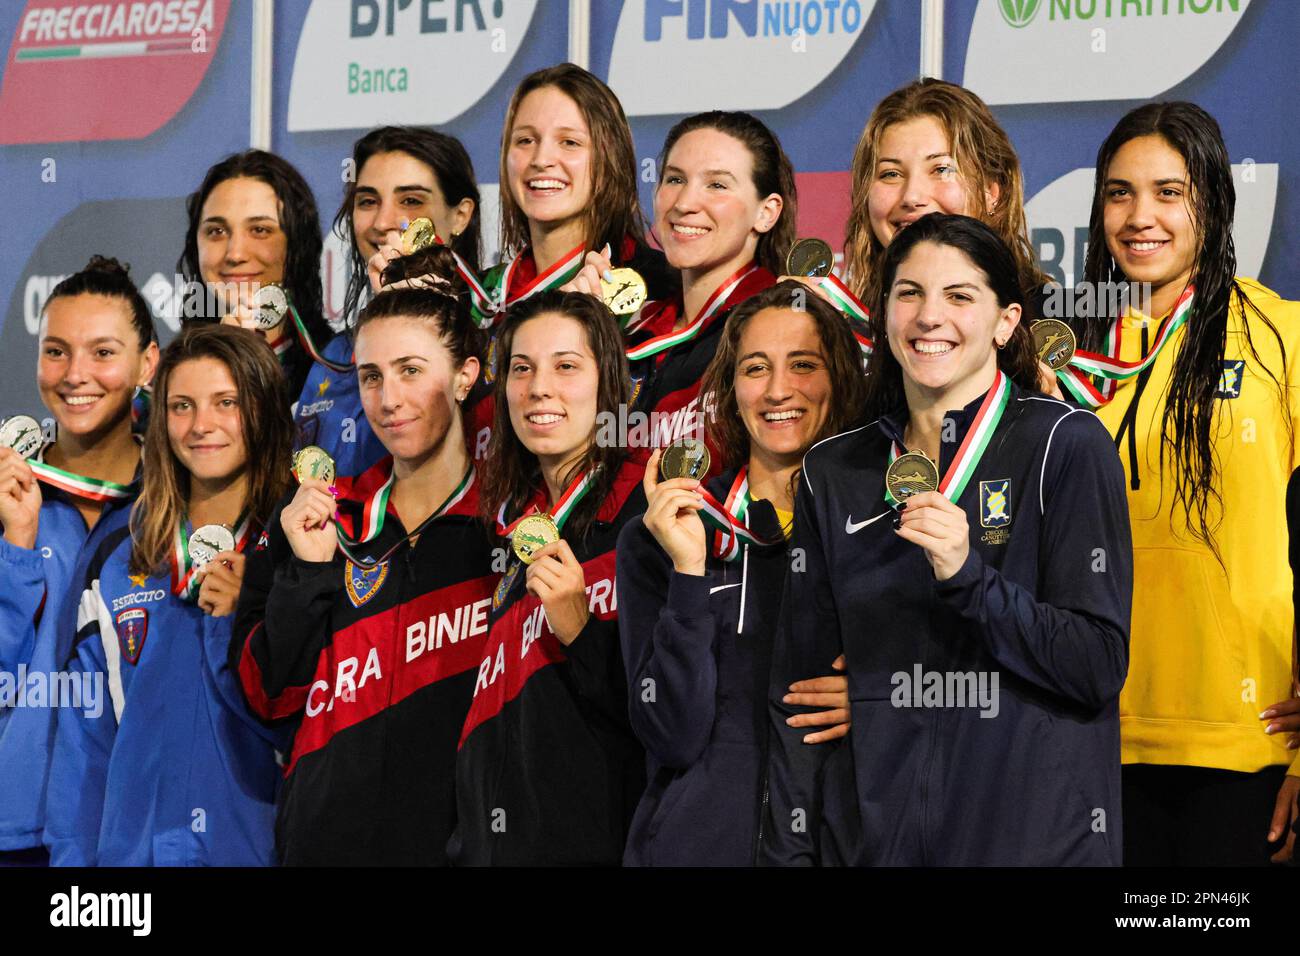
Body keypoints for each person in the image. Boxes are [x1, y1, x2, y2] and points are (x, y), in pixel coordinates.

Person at [765, 214, 1132, 866]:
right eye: (909, 293)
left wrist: (969, 579)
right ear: (883, 312)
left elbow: (1095, 666)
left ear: (1006, 321)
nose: (929, 316)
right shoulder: (836, 471)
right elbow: (800, 698)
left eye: (960, 296)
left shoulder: (1065, 445)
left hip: (1036, 849)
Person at [1077, 102, 1300, 866]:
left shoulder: (1283, 337)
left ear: (1213, 201)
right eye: (1119, 192)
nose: (1141, 216)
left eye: (1170, 192)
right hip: (1088, 739)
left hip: (1246, 743)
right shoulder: (1062, 353)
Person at [232, 265, 499, 865]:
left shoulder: (507, 531)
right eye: (371, 376)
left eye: (411, 371)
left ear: (465, 377)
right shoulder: (319, 518)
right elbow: (268, 697)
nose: (389, 399)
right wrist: (303, 575)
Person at [617, 281, 866, 866]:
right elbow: (671, 733)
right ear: (730, 389)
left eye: (804, 365)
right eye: (756, 368)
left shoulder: (883, 531)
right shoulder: (663, 537)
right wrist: (689, 573)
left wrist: (878, 698)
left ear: (841, 379)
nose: (779, 390)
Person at [44, 324, 294, 866]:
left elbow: (310, 725)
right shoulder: (119, 557)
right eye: (181, 406)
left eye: (226, 402)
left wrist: (242, 613)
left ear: (266, 410)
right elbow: (86, 747)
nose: (202, 425)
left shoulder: (300, 553)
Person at [449, 290, 646, 865]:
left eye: (566, 366)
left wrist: (581, 630)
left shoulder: (648, 511)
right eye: (521, 368)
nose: (539, 388)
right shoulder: (514, 533)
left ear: (610, 385)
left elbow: (672, 712)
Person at [0, 257, 158, 865]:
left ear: (148, 364)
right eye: (57, 351)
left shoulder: (178, 503)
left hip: (131, 830)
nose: (75, 376)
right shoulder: (12, 493)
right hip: (16, 831)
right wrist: (15, 547)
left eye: (102, 352)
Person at [464, 63, 676, 461]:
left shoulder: (660, 288)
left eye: (569, 143)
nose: (542, 159)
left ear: (608, 156)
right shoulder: (476, 298)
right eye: (525, 140)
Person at [603, 111, 794, 463]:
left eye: (717, 185)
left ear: (766, 212)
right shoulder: (637, 330)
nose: (684, 204)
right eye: (675, 179)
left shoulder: (783, 327)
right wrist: (581, 336)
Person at [316, 126, 485, 477]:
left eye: (411, 200)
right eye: (367, 201)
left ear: (461, 215)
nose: (382, 222)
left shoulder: (498, 338)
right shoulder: (330, 356)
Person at [179, 150, 334, 405]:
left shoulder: (337, 369)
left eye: (260, 230)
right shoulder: (167, 378)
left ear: (298, 245)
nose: (235, 253)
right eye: (216, 231)